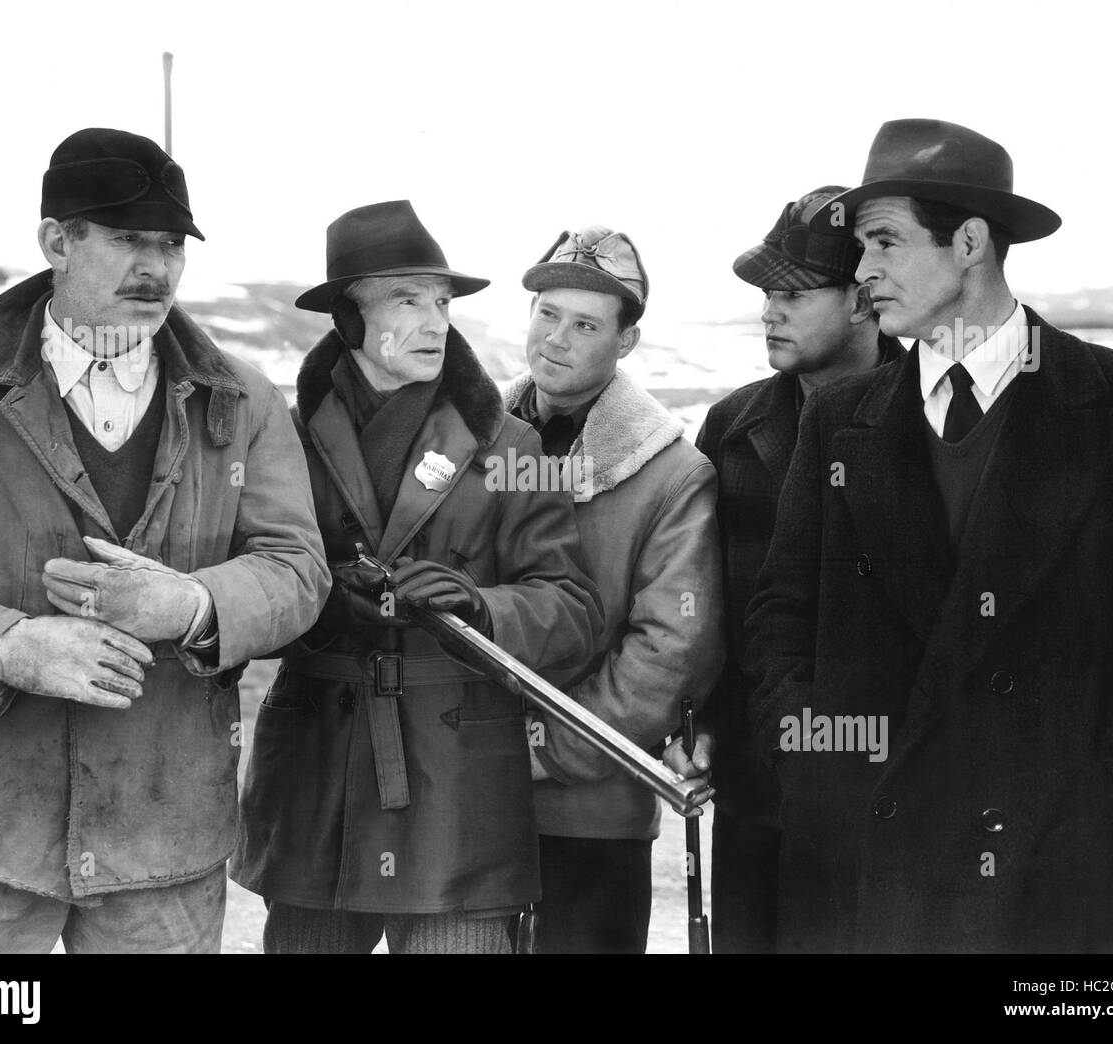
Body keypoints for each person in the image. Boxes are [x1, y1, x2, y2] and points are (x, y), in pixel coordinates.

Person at [746, 118, 1113, 952]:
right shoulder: (839, 419)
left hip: (1052, 882)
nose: (863, 270)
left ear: (972, 242)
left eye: (883, 242)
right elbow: (781, 615)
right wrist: (814, 766)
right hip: (867, 864)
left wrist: (1107, 804)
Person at [0, 128, 327, 953]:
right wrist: (7, 647)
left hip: (160, 843)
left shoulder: (245, 402)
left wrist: (193, 603)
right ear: (57, 241)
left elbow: (298, 570)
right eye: (127, 239)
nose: (155, 267)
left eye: (170, 245)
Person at [230, 200, 603, 954]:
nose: (437, 322)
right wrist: (324, 596)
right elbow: (244, 586)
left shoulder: (513, 443)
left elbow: (573, 611)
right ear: (349, 318)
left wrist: (481, 606)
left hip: (456, 789)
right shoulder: (280, 439)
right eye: (408, 300)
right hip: (317, 781)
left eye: (441, 302)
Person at [662, 188, 904, 953]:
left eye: (795, 294)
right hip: (754, 773)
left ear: (865, 299)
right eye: (767, 293)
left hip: (888, 782)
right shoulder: (732, 426)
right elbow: (700, 592)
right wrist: (687, 717)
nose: (770, 311)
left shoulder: (932, 419)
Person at [501, 225, 723, 953]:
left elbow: (669, 650)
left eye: (587, 324)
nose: (556, 340)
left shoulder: (673, 474)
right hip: (464, 797)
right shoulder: (473, 442)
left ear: (626, 342)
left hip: (593, 811)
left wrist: (544, 750)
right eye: (547, 314)